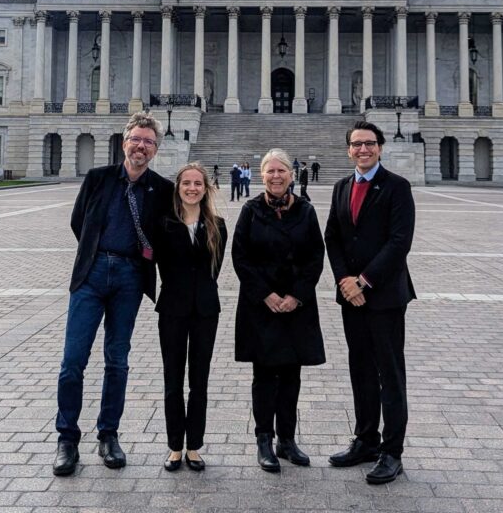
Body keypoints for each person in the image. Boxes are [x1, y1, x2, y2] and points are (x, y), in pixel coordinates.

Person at [52, 114, 174, 476]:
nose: (141, 146)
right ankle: (67, 438)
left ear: (155, 149)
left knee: (117, 361)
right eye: (136, 139)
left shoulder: (162, 189)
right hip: (92, 275)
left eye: (148, 141)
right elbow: (79, 222)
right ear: (125, 143)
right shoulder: (98, 178)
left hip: (129, 277)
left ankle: (109, 434)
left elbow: (166, 236)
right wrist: (96, 253)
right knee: (73, 360)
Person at [324, 121, 416, 486]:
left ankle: (392, 452)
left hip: (385, 296)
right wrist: (345, 281)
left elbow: (399, 242)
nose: (363, 150)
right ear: (348, 149)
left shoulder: (397, 187)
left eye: (369, 144)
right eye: (356, 144)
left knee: (389, 374)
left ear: (380, 147)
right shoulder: (342, 187)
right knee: (360, 370)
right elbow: (333, 236)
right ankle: (365, 440)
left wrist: (364, 281)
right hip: (352, 298)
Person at [232, 148, 325, 473]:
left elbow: (316, 256)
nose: (275, 176)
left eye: (281, 171)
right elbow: (239, 257)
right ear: (262, 175)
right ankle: (263, 440)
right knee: (263, 376)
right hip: (261, 307)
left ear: (290, 174)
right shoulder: (251, 210)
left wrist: (296, 296)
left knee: (291, 375)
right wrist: (266, 295)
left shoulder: (306, 211)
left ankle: (287, 440)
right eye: (270, 171)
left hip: (296, 306)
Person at [154, 163, 227, 472]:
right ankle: (174, 446)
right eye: (187, 183)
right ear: (179, 187)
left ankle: (194, 446)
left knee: (199, 381)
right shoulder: (164, 223)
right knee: (173, 379)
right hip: (172, 308)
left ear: (205, 188)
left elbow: (216, 269)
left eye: (198, 183)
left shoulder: (218, 225)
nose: (192, 188)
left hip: (205, 311)